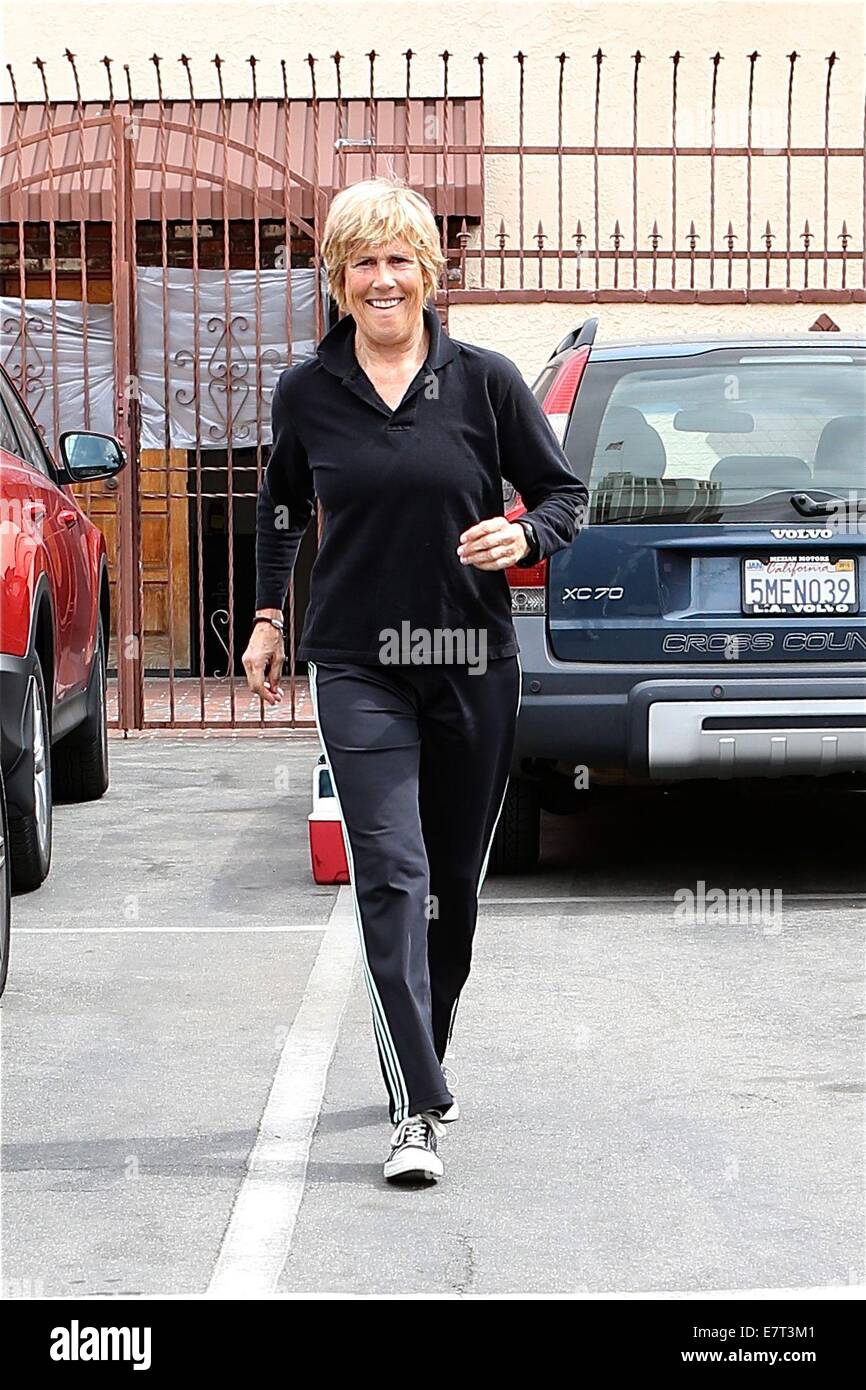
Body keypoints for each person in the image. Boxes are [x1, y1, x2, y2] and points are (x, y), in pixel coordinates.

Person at [243, 175, 588, 1186]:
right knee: (392, 874)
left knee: (451, 892)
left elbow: (563, 495)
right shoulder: (308, 392)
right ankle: (416, 1108)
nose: (382, 279)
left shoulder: (484, 383)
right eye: (363, 261)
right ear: (338, 278)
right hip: (358, 664)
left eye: (399, 259)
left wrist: (522, 534)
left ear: (429, 273)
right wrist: (267, 617)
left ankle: (422, 1048)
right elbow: (280, 507)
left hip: (470, 664)